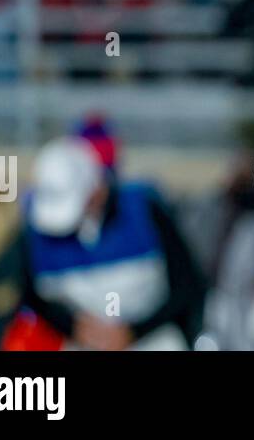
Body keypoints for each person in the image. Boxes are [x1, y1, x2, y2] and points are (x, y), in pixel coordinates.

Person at [21, 137, 205, 350]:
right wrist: (73, 326)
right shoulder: (37, 231)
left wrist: (134, 332)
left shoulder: (145, 210)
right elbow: (32, 295)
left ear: (97, 188)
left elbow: (188, 287)